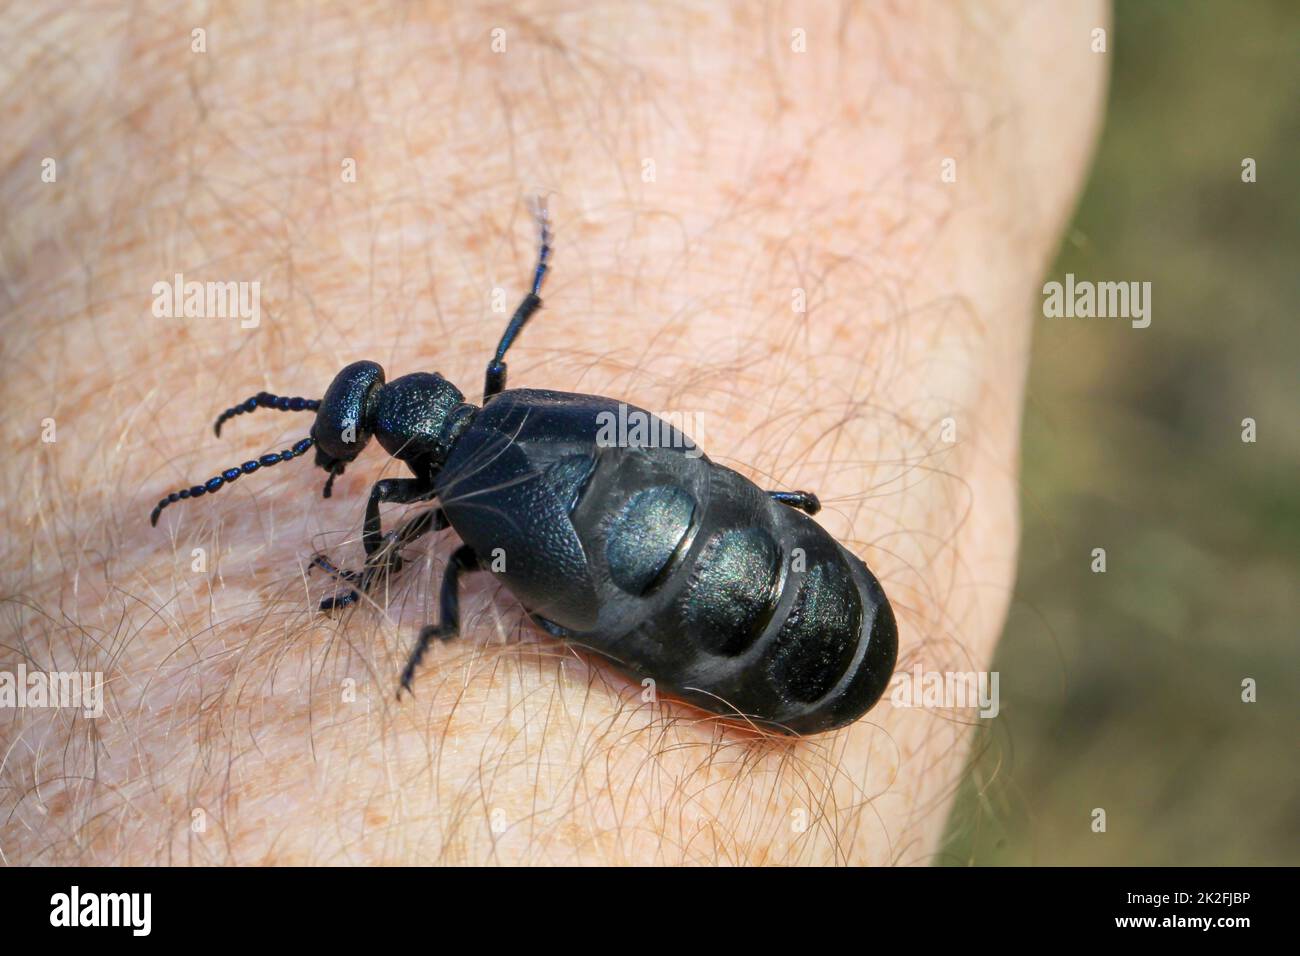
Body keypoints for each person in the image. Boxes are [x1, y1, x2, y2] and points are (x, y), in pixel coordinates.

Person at [0, 1, 1106, 864]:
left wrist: (407, 612)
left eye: (328, 444)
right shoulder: (507, 404)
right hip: (793, 575)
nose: (335, 463)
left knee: (487, 568)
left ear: (384, 437)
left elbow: (442, 539)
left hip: (759, 611)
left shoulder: (436, 494)